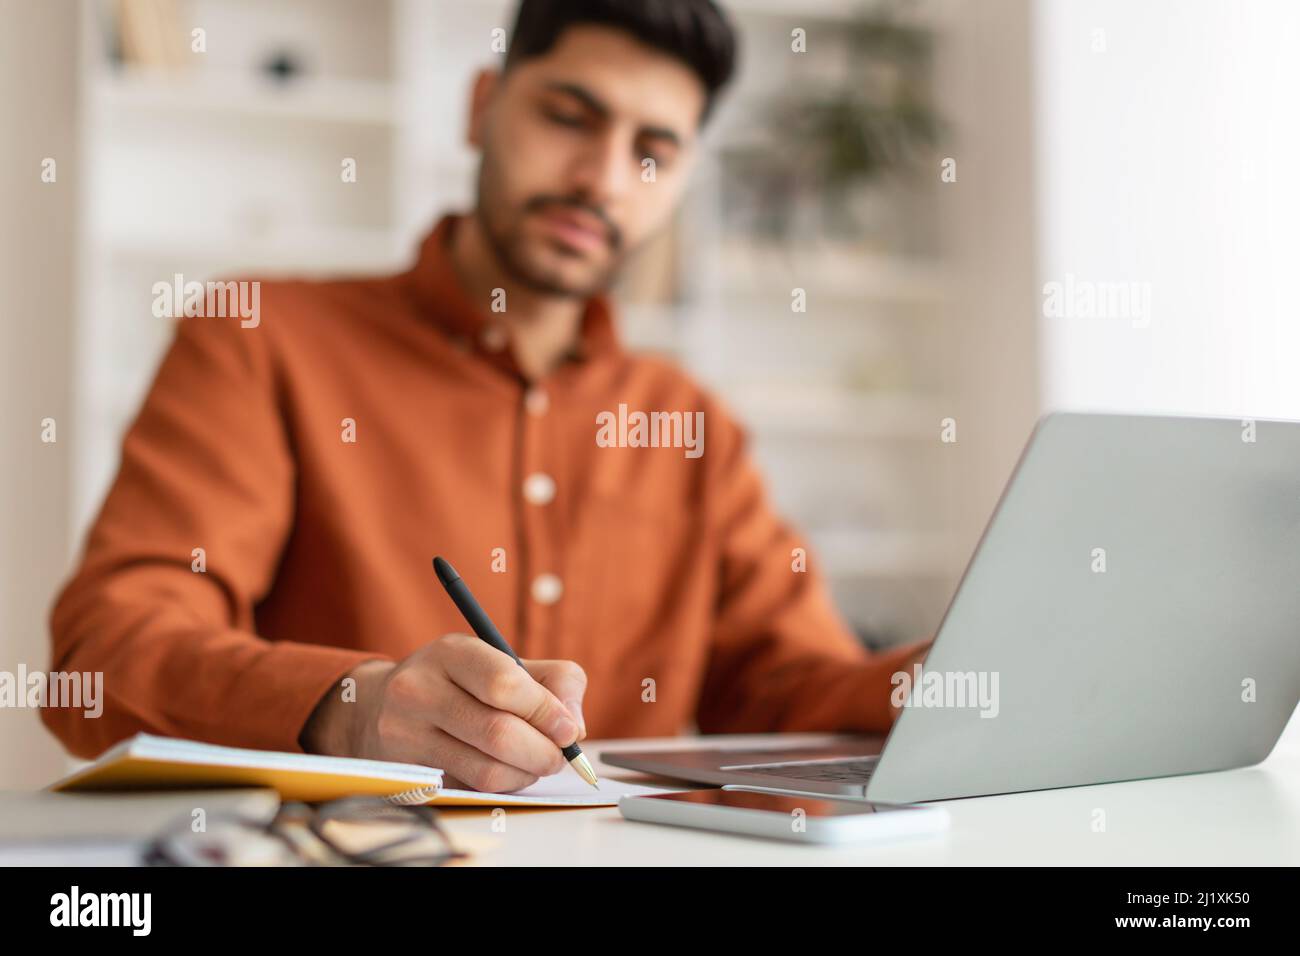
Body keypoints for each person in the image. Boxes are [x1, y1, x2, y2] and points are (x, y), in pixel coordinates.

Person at [43, 0, 929, 793]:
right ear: (481, 107)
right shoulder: (263, 340)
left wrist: (958, 676)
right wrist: (351, 708)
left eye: (651, 153)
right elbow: (106, 652)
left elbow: (792, 690)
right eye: (568, 116)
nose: (602, 177)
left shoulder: (690, 422)